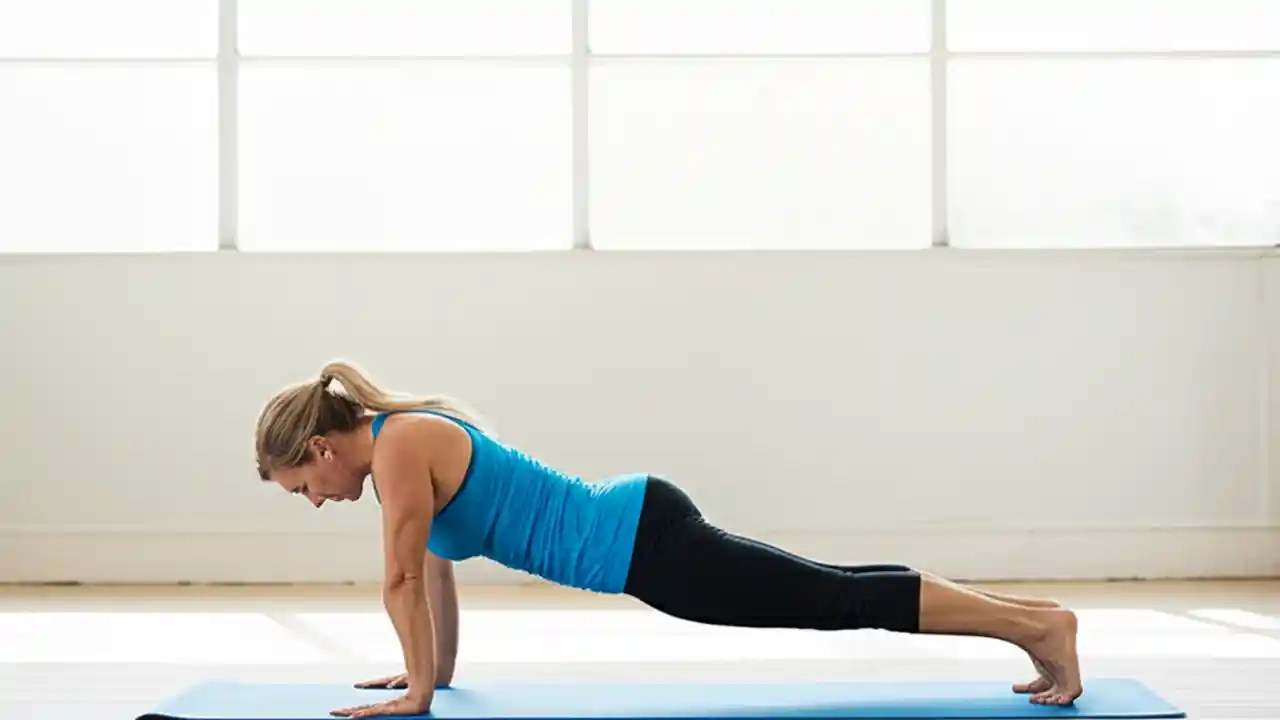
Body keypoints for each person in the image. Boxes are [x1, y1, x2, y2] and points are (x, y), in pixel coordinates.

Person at [254, 360, 1083, 719]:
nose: (316, 502)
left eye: (303, 487)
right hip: (642, 537)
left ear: (320, 448)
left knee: (835, 598)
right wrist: (430, 674)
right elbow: (433, 575)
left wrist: (417, 699)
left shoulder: (400, 445)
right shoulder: (400, 452)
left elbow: (400, 580)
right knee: (834, 587)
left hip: (646, 545)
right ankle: (1032, 621)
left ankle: (1038, 626)